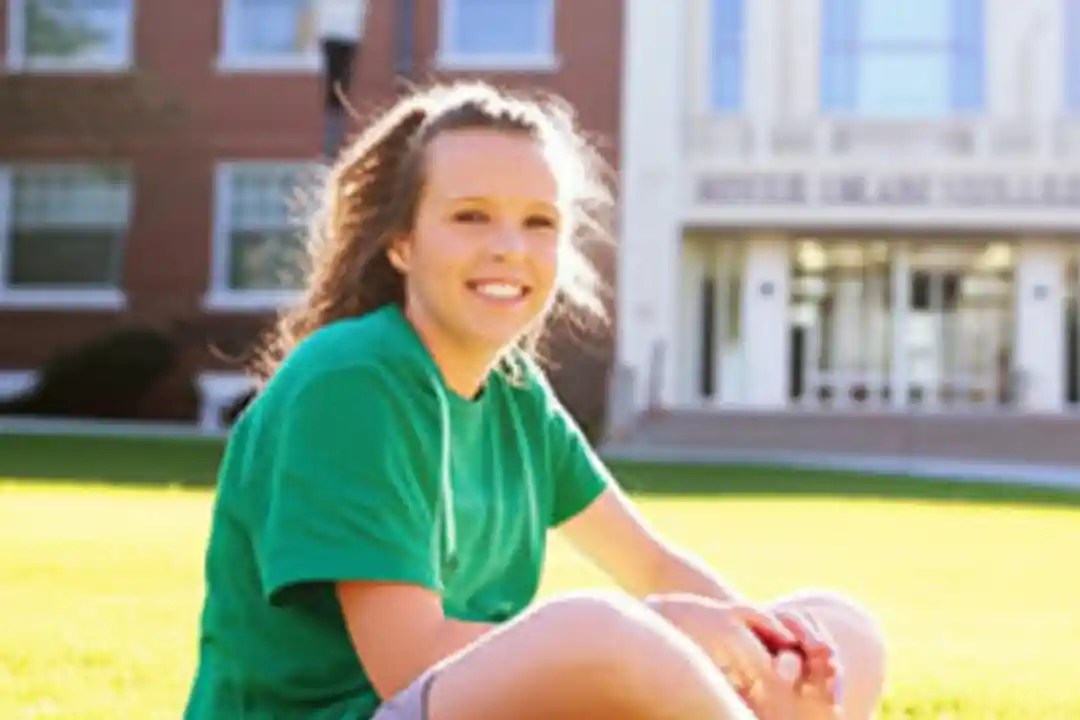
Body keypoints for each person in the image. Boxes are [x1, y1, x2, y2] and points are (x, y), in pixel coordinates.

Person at [182, 81, 886, 720]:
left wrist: (763, 645)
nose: (509, 249)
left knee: (838, 627)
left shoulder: (516, 392)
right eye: (471, 217)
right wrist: (673, 637)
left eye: (539, 223)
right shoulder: (352, 380)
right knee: (601, 632)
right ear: (401, 244)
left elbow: (654, 566)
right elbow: (407, 659)